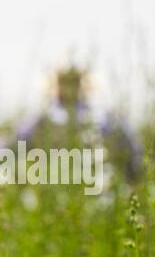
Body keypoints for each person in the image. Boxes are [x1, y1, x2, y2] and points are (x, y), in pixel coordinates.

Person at [9, 65, 141, 182]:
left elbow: (130, 148)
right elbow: (13, 144)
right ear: (57, 83)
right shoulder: (41, 118)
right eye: (65, 81)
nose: (69, 87)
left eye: (73, 81)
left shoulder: (103, 117)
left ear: (81, 83)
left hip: (94, 184)